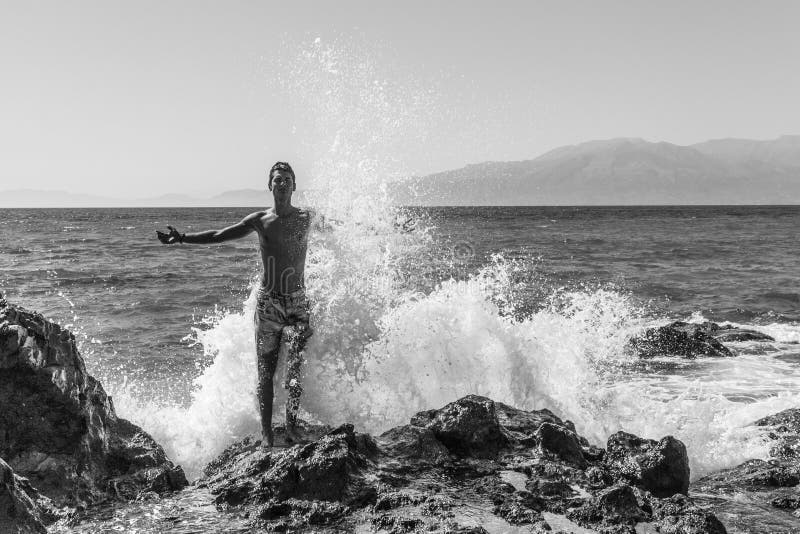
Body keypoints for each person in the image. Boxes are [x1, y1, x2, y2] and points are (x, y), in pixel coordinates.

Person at [156, 162, 316, 447]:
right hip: (269, 305)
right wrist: (182, 238)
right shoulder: (259, 220)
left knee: (294, 368)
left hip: (298, 303)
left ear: (294, 186)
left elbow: (346, 226)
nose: (282, 184)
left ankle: (292, 427)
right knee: (265, 371)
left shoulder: (306, 218)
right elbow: (219, 235)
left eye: (287, 179)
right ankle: (267, 434)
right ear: (270, 186)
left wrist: (379, 226)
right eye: (277, 179)